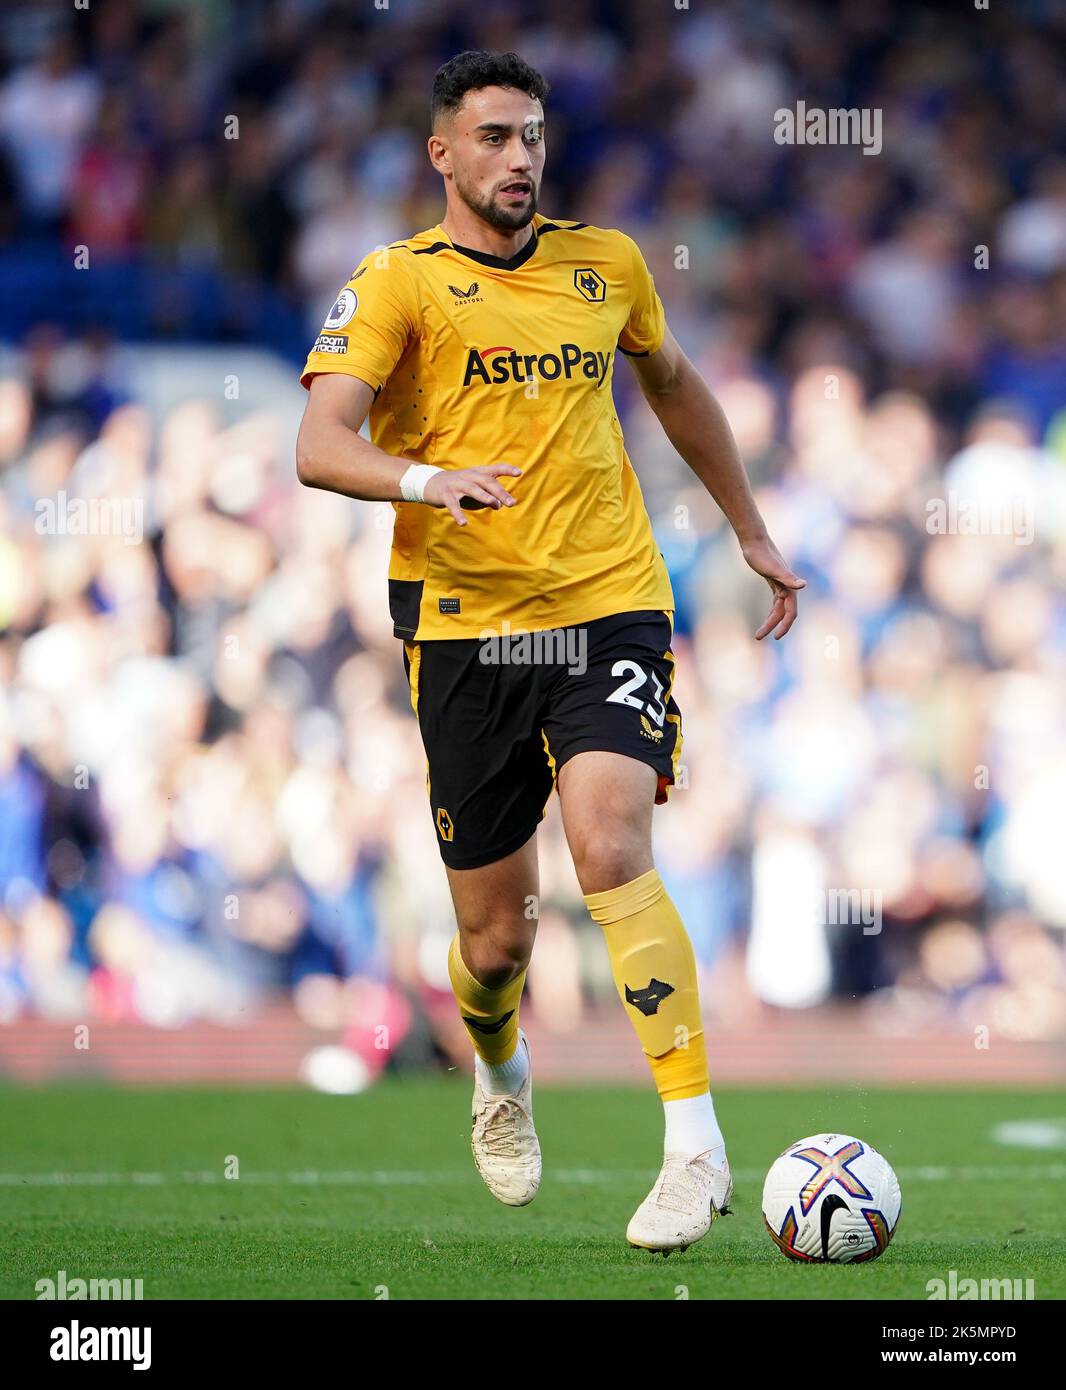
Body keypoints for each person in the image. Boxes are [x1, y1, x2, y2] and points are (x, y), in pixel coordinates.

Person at [295, 49, 804, 1251]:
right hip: (464, 626)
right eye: (492, 138)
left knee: (613, 838)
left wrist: (747, 526)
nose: (519, 157)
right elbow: (319, 443)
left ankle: (694, 1145)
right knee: (496, 940)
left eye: (531, 136)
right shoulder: (395, 285)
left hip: (607, 604)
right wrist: (429, 478)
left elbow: (673, 387)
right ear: (442, 154)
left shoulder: (606, 264)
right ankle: (498, 1065)